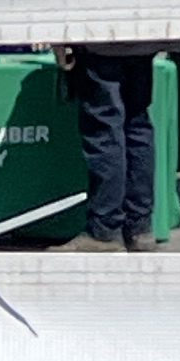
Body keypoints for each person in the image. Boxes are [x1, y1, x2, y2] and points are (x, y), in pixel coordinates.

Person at [61, 42, 161, 249]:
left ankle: (104, 230)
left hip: (99, 43)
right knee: (137, 124)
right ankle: (139, 227)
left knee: (104, 129)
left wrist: (61, 43)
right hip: (142, 40)